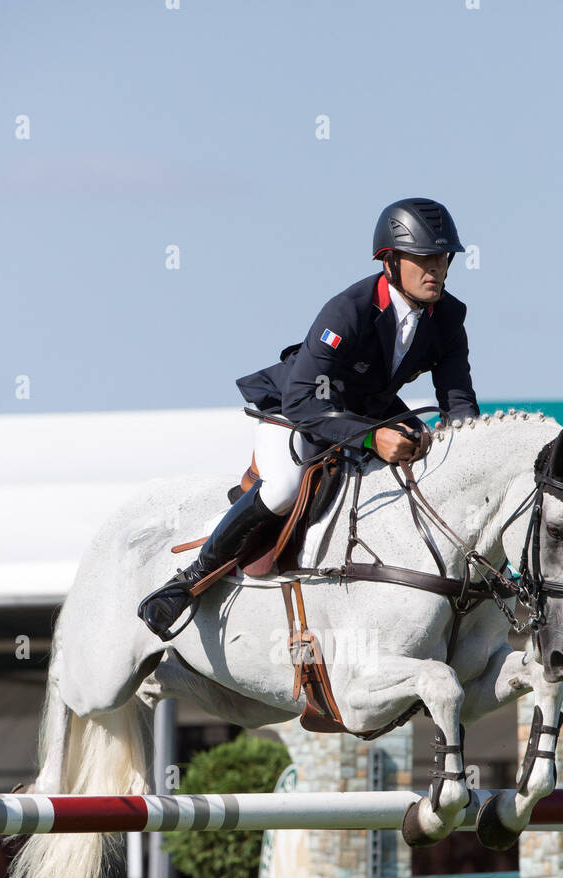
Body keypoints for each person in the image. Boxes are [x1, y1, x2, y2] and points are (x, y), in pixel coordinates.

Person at [138, 197, 480, 640]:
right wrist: (372, 439)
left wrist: (466, 454)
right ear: (391, 262)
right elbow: (304, 399)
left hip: (367, 411)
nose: (436, 268)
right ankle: (188, 580)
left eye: (442, 257)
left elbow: (459, 403)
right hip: (297, 410)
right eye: (423, 258)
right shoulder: (349, 310)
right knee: (284, 488)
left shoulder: (449, 316)